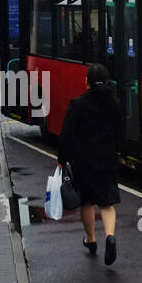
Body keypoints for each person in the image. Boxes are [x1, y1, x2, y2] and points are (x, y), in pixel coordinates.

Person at [57, 63, 126, 266]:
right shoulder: (114, 103)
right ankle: (110, 236)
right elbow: (120, 132)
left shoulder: (77, 104)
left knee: (86, 202)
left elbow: (66, 135)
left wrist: (62, 159)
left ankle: (91, 239)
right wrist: (119, 152)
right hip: (107, 160)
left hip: (83, 162)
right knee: (107, 203)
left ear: (86, 81)